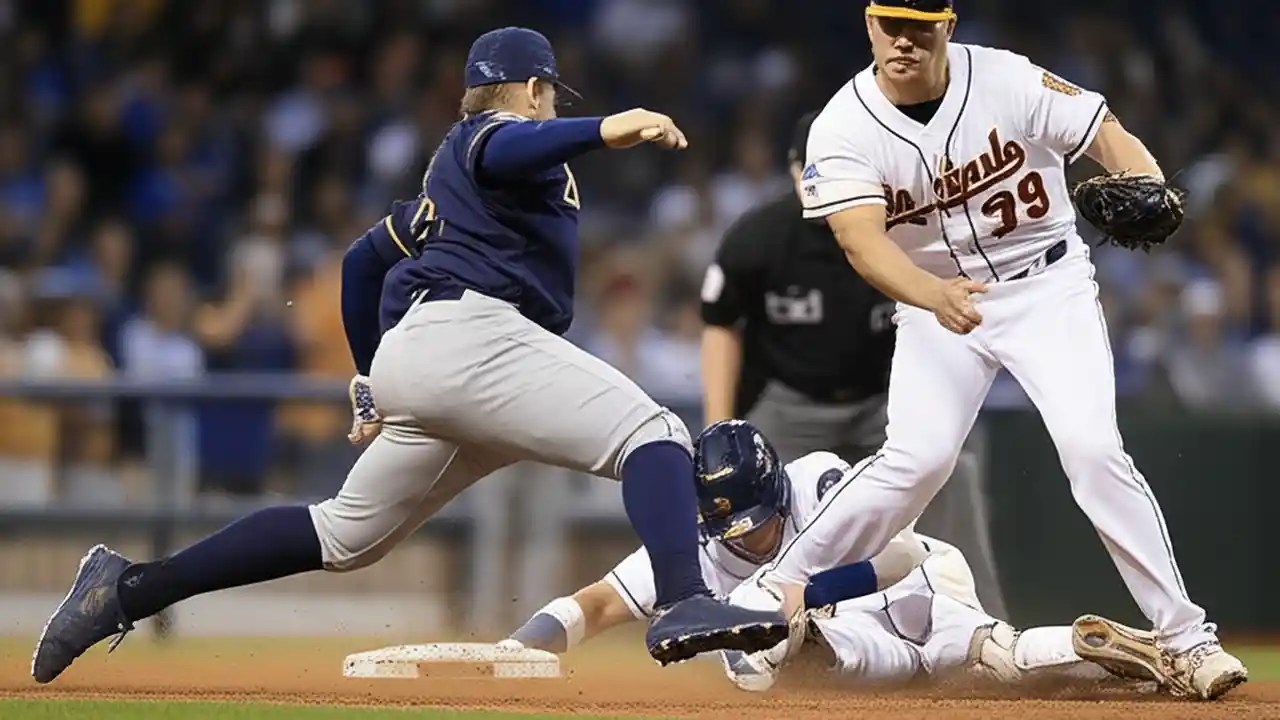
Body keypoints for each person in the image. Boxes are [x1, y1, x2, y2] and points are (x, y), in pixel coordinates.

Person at [30, 27, 785, 685]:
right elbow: (508, 140)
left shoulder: (440, 194)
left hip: (438, 358)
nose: (551, 104)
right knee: (652, 433)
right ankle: (686, 600)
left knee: (341, 536)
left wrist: (369, 375)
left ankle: (124, 590)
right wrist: (605, 127)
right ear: (530, 89)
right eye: (548, 94)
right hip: (475, 344)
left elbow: (363, 264)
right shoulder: (489, 139)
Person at [753, 0, 1246, 701]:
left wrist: (1147, 178)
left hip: (1045, 286)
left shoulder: (1007, 79)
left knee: (1091, 449)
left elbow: (1104, 132)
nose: (903, 40)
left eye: (919, 25)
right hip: (935, 303)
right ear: (868, 25)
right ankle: (778, 590)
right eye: (890, 24)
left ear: (947, 26)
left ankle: (1186, 639)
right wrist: (930, 294)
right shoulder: (844, 125)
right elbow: (860, 242)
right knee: (915, 460)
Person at [504, 420, 1162, 693]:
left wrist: (806, 595)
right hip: (854, 640)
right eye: (727, 530)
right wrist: (515, 650)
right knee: (1009, 666)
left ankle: (798, 636)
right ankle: (1140, 661)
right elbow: (593, 605)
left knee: (764, 624)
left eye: (755, 525)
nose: (742, 539)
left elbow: (902, 555)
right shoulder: (693, 548)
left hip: (918, 590)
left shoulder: (816, 480)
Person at [701, 111, 1005, 617]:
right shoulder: (759, 237)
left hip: (883, 400)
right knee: (738, 492)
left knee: (953, 473)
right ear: (793, 173)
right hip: (794, 403)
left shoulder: (903, 230)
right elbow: (719, 324)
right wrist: (719, 421)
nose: (819, 186)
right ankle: (741, 620)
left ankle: (982, 622)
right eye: (810, 173)